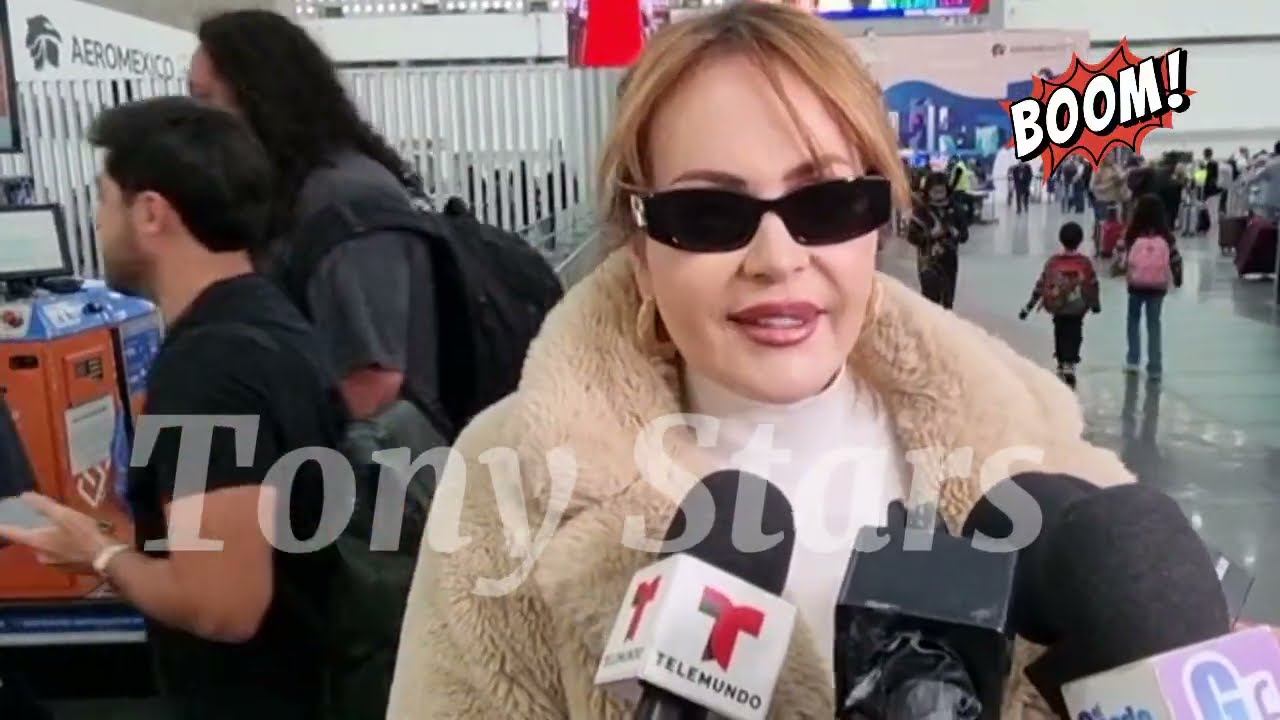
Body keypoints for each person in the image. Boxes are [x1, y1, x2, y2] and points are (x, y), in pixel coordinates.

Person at [385, 4, 1135, 718]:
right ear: (639, 251)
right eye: (708, 215)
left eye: (826, 203)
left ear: (876, 225)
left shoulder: (1039, 453)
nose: (776, 259)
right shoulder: (504, 483)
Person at [0, 98, 345, 719]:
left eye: (104, 200)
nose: (98, 222)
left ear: (151, 212)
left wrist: (102, 557)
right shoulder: (270, 321)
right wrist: (109, 532)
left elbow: (223, 607)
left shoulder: (209, 369)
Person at [190, 10, 433, 422]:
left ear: (260, 99)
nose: (194, 123)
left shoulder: (345, 203)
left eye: (204, 100)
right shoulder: (295, 194)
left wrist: (276, 442)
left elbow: (373, 384)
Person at [1019, 221, 1101, 388]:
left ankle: (1061, 361)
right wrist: (1095, 304)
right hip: (1077, 308)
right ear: (1080, 240)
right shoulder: (1084, 263)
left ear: (1061, 239)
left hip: (1058, 306)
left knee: (1060, 331)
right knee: (1075, 332)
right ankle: (1070, 362)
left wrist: (1028, 307)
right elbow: (1092, 285)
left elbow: (1041, 285)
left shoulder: (1053, 262)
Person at [1123, 194, 1184, 383]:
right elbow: (1175, 258)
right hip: (1157, 287)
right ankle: (1155, 367)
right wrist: (1178, 278)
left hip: (1136, 285)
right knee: (1154, 324)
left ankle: (1133, 360)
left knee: (1133, 320)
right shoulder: (1166, 236)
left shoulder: (1132, 234)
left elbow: (1121, 255)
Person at [907, 170, 968, 309]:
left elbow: (964, 236)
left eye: (942, 191)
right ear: (928, 191)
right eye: (935, 192)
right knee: (930, 301)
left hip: (949, 260)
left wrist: (955, 234)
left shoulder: (955, 209)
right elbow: (911, 237)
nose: (939, 196)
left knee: (948, 300)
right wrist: (930, 235)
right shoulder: (921, 211)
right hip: (927, 261)